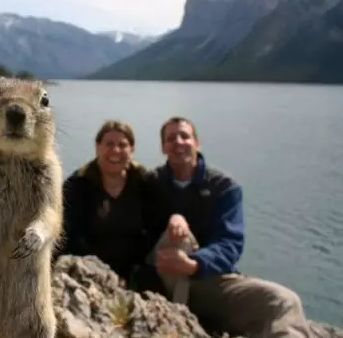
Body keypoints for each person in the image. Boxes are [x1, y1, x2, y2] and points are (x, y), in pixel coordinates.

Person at [143, 116, 314, 338]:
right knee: (177, 237)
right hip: (160, 277)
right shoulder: (150, 182)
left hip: (206, 281)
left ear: (197, 143)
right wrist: (174, 218)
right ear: (163, 147)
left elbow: (230, 243)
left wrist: (195, 263)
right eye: (171, 138)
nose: (178, 142)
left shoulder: (224, 187)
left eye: (185, 136)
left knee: (284, 301)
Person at [56, 120, 157, 287]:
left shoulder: (144, 182)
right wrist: (100, 273)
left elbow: (156, 227)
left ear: (132, 150)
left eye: (122, 145)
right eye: (109, 144)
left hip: (136, 269)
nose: (115, 150)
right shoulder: (78, 184)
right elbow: (71, 236)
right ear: (98, 147)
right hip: (89, 269)